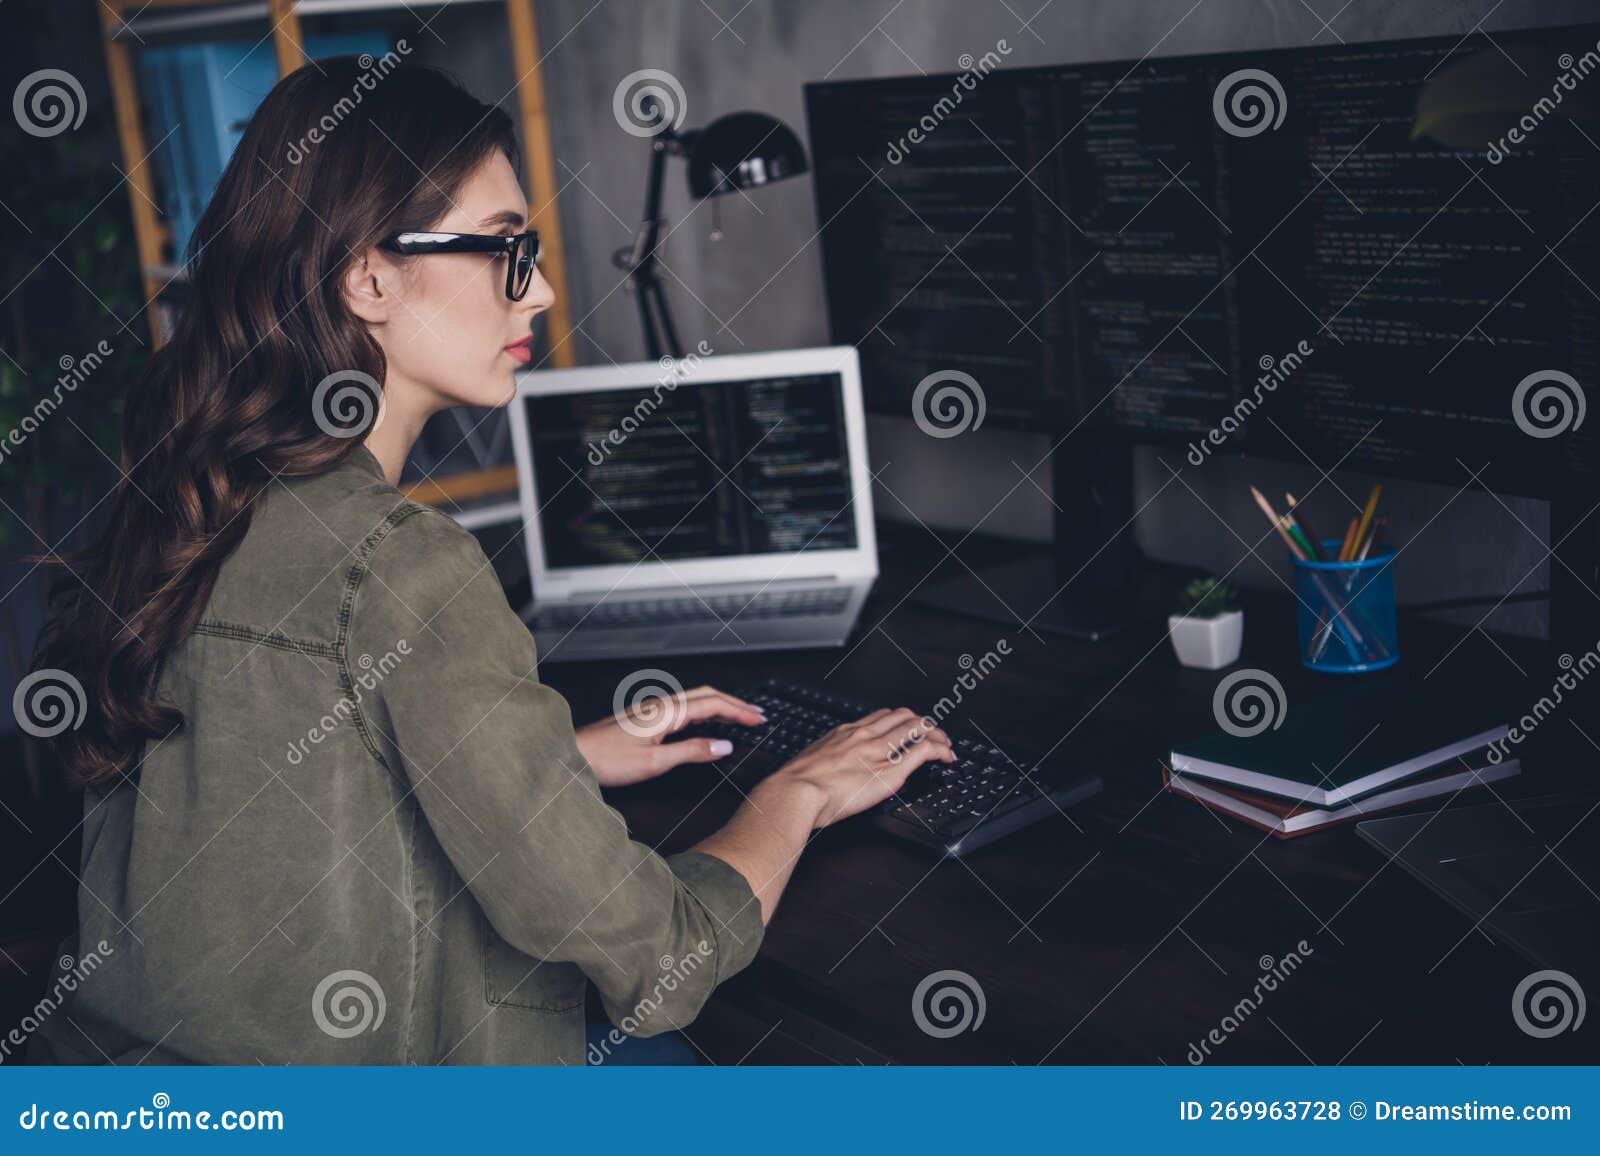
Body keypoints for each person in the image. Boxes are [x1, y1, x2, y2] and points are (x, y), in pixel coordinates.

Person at [26, 60, 953, 1065]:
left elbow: (268, 791)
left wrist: (550, 764)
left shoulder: (192, 503)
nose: (543, 290)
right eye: (506, 251)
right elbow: (665, 964)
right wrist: (796, 794)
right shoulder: (404, 568)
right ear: (366, 276)